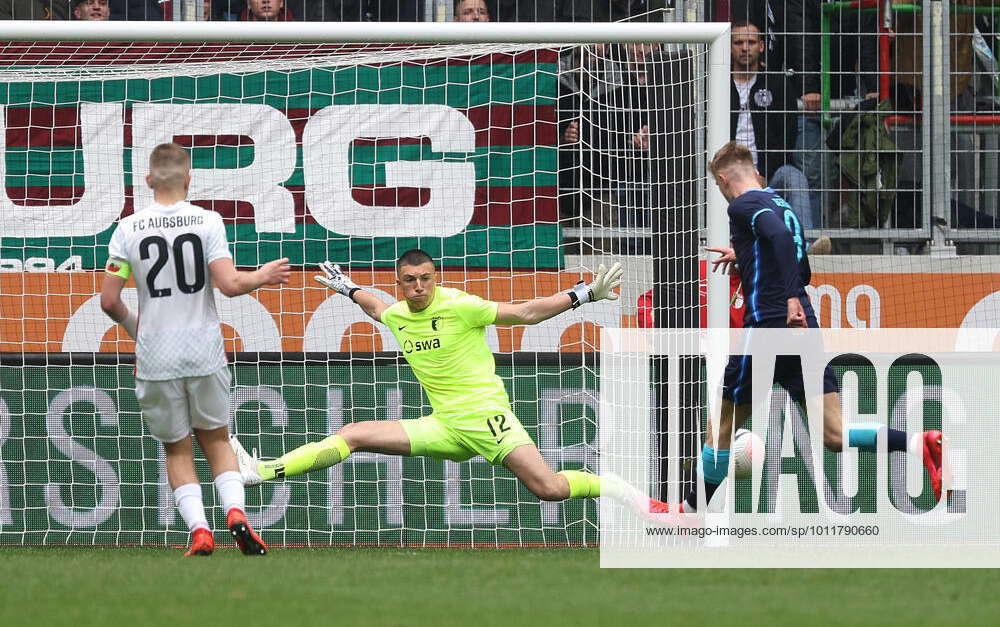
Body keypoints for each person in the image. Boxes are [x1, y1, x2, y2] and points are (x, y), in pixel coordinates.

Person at [230, 250, 667, 514]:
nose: (419, 287)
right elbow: (377, 308)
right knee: (354, 435)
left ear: (434, 278)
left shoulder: (460, 305)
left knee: (548, 488)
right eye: (410, 281)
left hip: (487, 416)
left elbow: (526, 312)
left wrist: (583, 294)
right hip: (444, 424)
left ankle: (612, 486)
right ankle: (261, 471)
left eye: (426, 279)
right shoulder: (398, 313)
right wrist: (348, 288)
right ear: (399, 283)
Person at [672, 142, 945, 514]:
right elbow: (796, 258)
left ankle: (688, 515)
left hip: (768, 326)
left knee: (721, 424)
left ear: (723, 180)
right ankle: (917, 443)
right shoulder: (781, 205)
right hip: (804, 329)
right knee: (835, 434)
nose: (723, 196)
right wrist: (748, 255)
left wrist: (786, 298)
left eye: (720, 189)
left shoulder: (742, 205)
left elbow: (781, 243)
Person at [100, 143, 291, 556]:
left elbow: (109, 302)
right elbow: (230, 284)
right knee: (218, 440)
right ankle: (236, 514)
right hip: (204, 350)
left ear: (148, 181)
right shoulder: (208, 221)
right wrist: (264, 274)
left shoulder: (127, 229)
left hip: (155, 355)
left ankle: (200, 530)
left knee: (177, 447)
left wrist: (141, 332)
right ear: (188, 179)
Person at [729, 21, 814, 231]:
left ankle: (807, 244)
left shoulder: (777, 84)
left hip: (769, 176)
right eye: (738, 42)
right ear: (729, 47)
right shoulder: (718, 83)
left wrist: (764, 175)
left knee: (794, 177)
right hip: (726, 177)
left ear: (761, 46)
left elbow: (788, 136)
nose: (745, 48)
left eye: (750, 42)